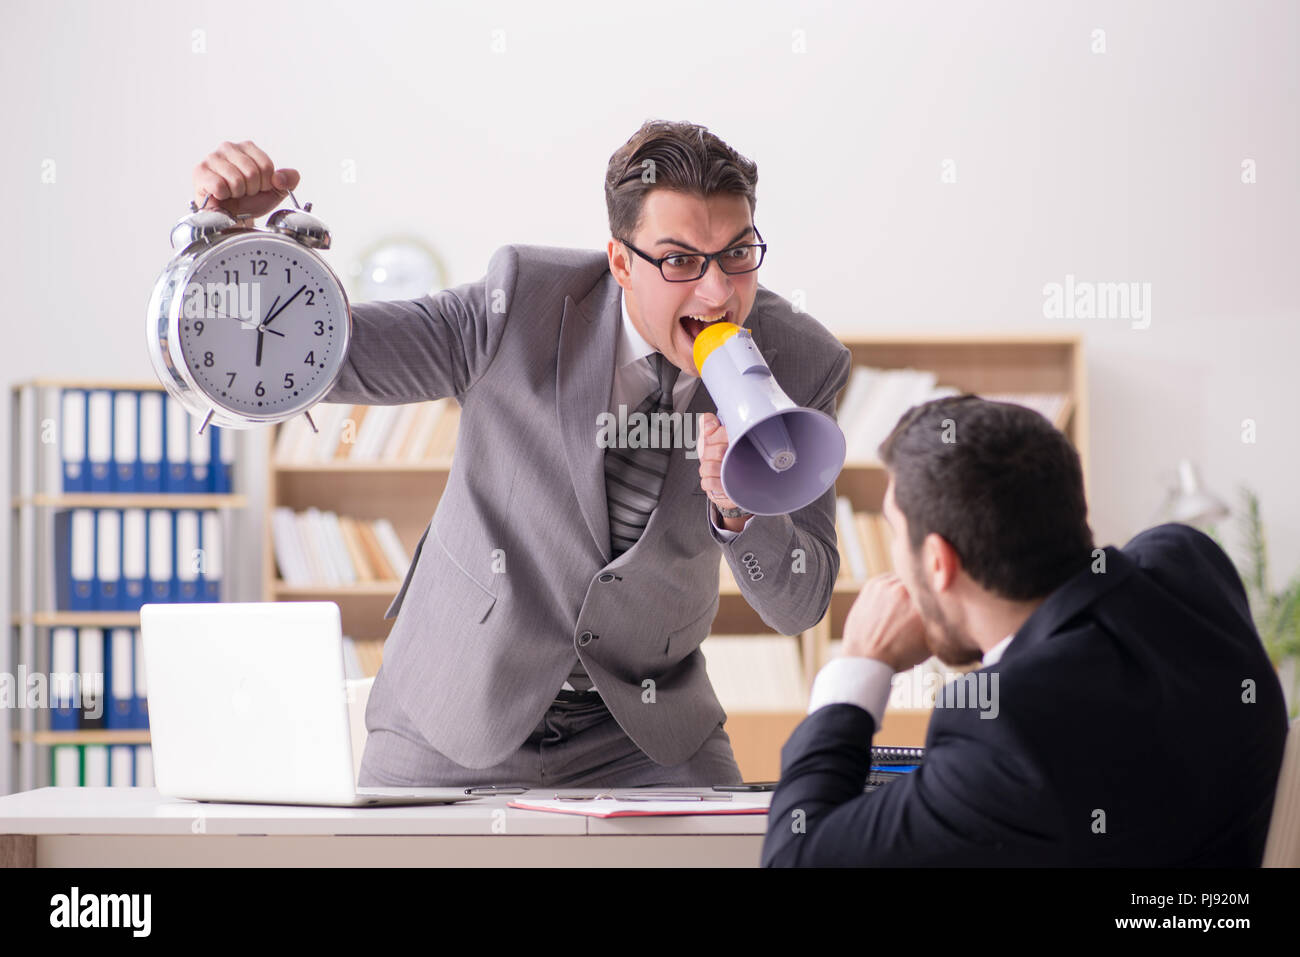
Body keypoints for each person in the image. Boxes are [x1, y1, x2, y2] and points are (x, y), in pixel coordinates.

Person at [191, 122, 851, 788]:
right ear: (621, 262)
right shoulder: (522, 302)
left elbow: (800, 603)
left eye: (737, 254)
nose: (718, 293)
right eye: (680, 260)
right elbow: (332, 361)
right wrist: (240, 254)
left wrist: (743, 508)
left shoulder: (800, 362)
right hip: (453, 712)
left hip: (642, 732)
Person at [762, 395, 1289, 866]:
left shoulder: (1006, 734)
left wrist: (860, 663)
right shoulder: (1188, 566)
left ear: (940, 563)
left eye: (895, 534)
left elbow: (796, 856)